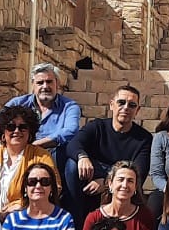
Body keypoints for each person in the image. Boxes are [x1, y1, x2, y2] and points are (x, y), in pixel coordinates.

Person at [65, 83, 151, 220]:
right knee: (72, 165)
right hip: (91, 180)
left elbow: (139, 171)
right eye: (121, 102)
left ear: (138, 110)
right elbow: (73, 145)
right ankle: (75, 223)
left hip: (120, 186)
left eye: (132, 105)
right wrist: (82, 157)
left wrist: (106, 183)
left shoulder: (144, 138)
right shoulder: (97, 126)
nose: (126, 108)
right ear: (112, 105)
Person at [0, 104, 57, 218]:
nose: (17, 131)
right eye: (11, 127)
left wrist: (22, 204)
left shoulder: (42, 156)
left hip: (27, 217)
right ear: (3, 133)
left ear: (30, 133)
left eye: (22, 127)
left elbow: (54, 186)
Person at [0, 60, 81, 151]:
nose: (45, 86)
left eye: (49, 82)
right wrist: (2, 149)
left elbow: (71, 130)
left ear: (57, 84)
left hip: (50, 153)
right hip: (16, 151)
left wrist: (34, 146)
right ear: (33, 85)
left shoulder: (69, 107)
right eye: (40, 83)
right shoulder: (18, 103)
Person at [79, 161, 156, 230]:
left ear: (135, 187)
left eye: (130, 181)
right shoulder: (93, 218)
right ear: (110, 184)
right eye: (120, 180)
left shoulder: (144, 216)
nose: (125, 185)